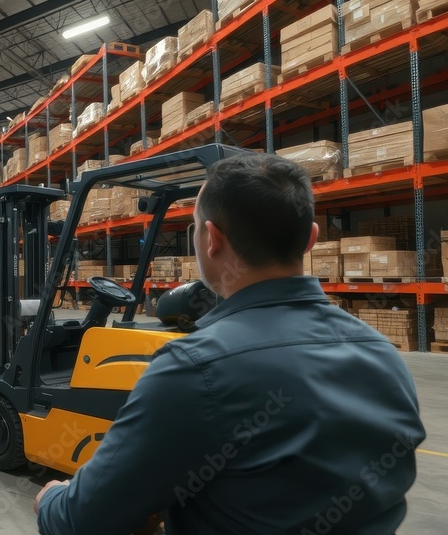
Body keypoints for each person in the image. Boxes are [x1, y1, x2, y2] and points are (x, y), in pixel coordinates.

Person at [35, 153, 426, 534]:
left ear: (210, 239)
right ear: (310, 239)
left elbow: (82, 521)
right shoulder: (384, 356)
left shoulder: (192, 369)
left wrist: (52, 498)